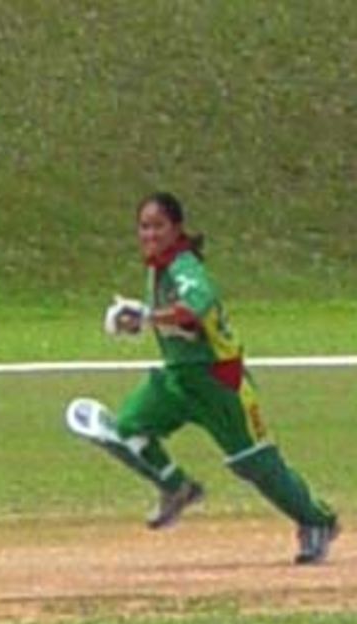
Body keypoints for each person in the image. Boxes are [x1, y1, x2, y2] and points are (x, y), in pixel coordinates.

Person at [66, 191, 339, 565]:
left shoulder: (184, 265)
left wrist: (147, 316)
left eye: (158, 226)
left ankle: (317, 521)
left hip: (219, 383)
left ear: (177, 228)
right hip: (179, 379)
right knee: (128, 428)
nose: (150, 234)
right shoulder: (158, 267)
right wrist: (141, 321)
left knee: (256, 465)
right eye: (144, 227)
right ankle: (177, 488)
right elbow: (178, 324)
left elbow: (196, 306)